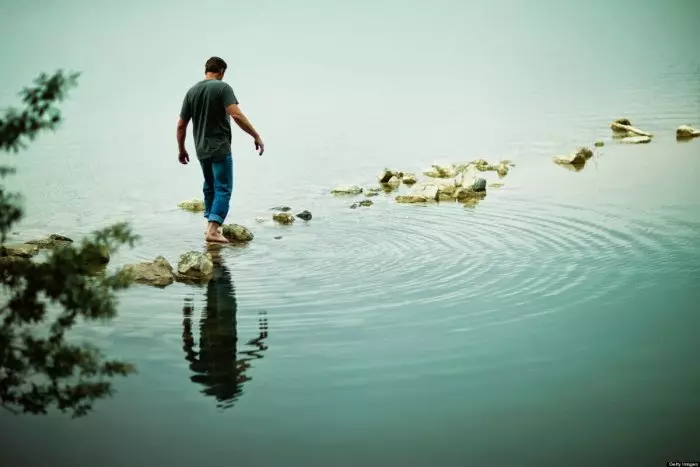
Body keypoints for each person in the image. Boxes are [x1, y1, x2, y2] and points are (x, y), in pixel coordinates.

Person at [177, 56, 264, 243]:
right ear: (222, 71)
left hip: (201, 149)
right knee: (223, 188)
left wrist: (181, 149)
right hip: (219, 148)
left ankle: (210, 226)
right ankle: (214, 230)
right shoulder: (223, 88)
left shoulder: (191, 91)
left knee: (209, 187)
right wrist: (255, 135)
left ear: (205, 70)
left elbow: (181, 126)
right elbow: (236, 115)